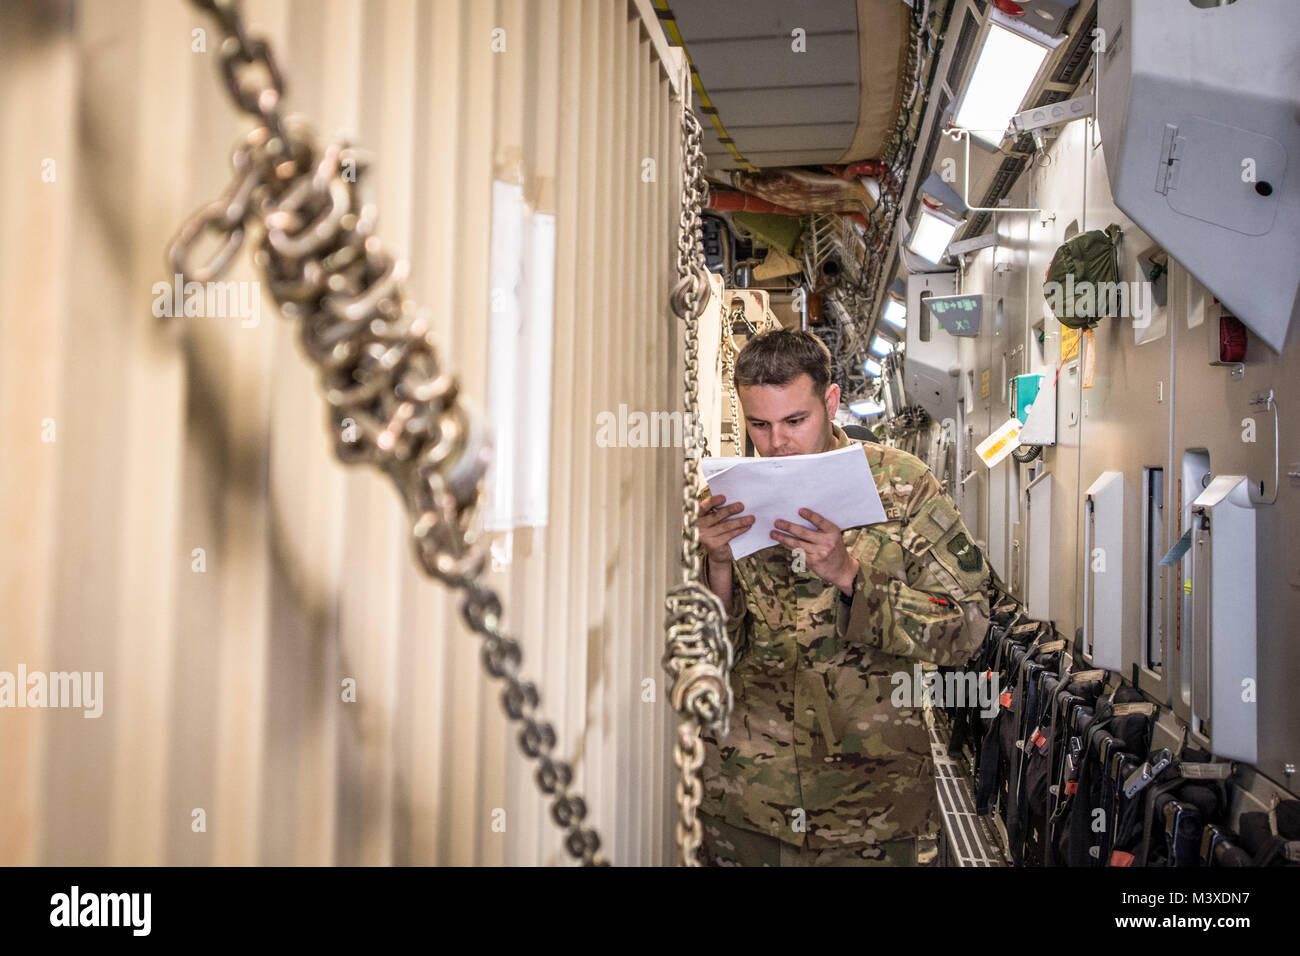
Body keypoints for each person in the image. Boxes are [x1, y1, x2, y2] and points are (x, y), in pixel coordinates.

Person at [695, 328, 992, 866]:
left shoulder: (902, 485)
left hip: (875, 806)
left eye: (794, 421)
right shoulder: (727, 498)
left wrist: (852, 574)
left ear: (830, 402)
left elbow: (968, 630)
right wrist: (716, 562)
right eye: (758, 424)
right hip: (749, 803)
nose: (776, 442)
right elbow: (707, 655)